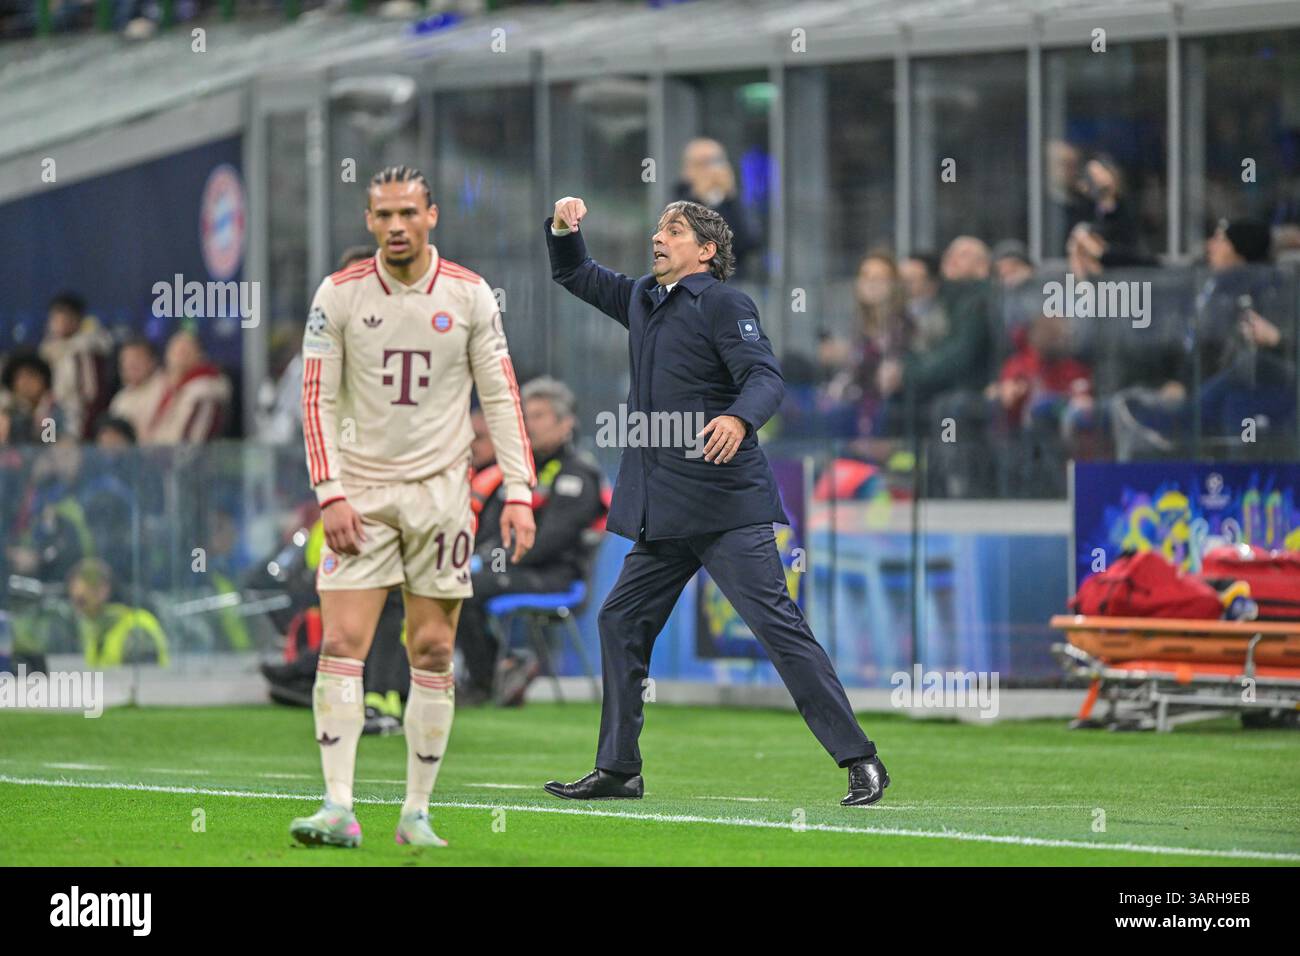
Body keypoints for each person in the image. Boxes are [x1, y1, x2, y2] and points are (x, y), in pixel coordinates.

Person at [542, 195, 888, 807]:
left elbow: (765, 377)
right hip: (664, 509)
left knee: (776, 626)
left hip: (725, 502)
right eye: (657, 228)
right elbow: (575, 273)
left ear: (705, 251)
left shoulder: (725, 303)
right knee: (619, 620)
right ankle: (619, 769)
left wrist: (738, 418)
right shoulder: (644, 298)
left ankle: (861, 759)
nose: (658, 237)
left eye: (673, 230)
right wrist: (564, 230)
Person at [288, 164, 537, 849]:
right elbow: (315, 399)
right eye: (384, 215)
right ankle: (337, 806)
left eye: (408, 213)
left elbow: (502, 395)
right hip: (360, 495)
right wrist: (329, 493)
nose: (396, 226)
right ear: (369, 221)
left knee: (431, 646)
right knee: (342, 642)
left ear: (432, 216)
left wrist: (519, 491)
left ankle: (416, 813)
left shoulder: (469, 293)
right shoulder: (339, 294)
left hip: (442, 496)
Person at [455, 376, 607, 706]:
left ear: (565, 424)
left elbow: (549, 543)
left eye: (539, 416)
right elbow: (490, 532)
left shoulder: (578, 474)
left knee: (466, 587)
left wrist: (489, 561)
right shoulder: (517, 473)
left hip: (556, 577)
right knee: (452, 580)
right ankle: (505, 667)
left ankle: (484, 682)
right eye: (526, 416)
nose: (529, 424)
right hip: (513, 567)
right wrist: (476, 557)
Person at [39, 292, 111, 441]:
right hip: (51, 417)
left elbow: (92, 396)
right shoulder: (47, 352)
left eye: (66, 317)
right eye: (56, 317)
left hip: (77, 423)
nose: (60, 322)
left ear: (78, 320)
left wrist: (83, 435)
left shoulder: (87, 351)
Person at [144, 330, 232, 444]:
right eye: (175, 351)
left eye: (185, 351)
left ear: (199, 355)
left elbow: (194, 443)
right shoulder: (160, 387)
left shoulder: (205, 391)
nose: (179, 356)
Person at [106, 338, 165, 441]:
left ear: (152, 361)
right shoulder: (120, 399)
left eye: (137, 358)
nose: (131, 365)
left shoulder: (166, 388)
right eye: (126, 360)